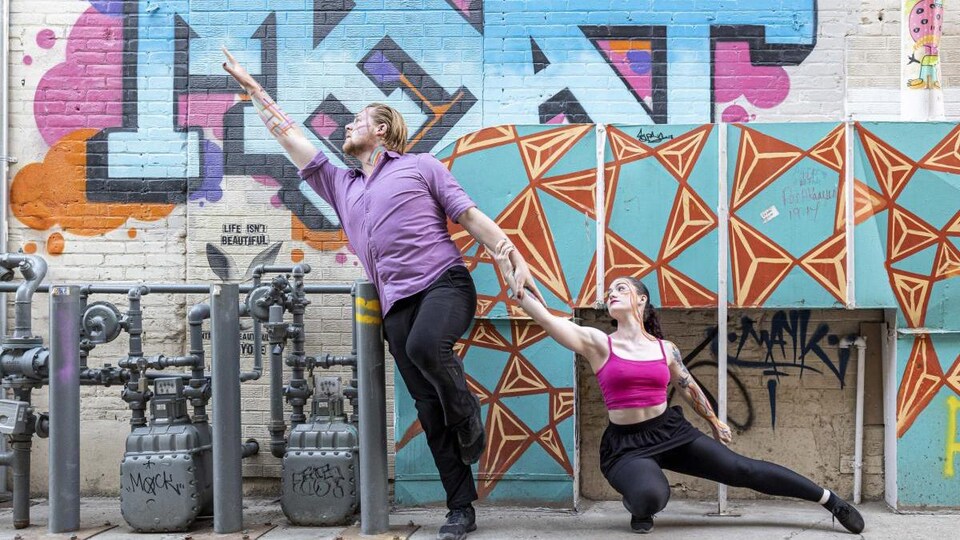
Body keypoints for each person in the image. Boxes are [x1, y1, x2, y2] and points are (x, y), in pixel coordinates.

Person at [222, 48, 545, 540]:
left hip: (443, 284)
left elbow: (468, 215)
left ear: (382, 130)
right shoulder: (339, 184)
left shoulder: (421, 167)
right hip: (395, 304)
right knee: (428, 410)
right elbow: (289, 136)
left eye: (357, 120)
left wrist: (508, 252)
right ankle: (461, 508)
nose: (347, 126)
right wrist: (253, 88)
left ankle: (467, 415)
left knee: (426, 347)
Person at [489, 240, 865, 535]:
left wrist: (714, 421)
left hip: (670, 432)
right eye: (610, 291)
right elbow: (547, 319)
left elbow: (687, 386)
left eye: (621, 288)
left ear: (641, 300)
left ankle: (830, 500)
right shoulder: (598, 343)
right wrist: (514, 282)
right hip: (626, 445)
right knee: (651, 496)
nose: (612, 293)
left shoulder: (665, 349)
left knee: (743, 469)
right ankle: (641, 504)